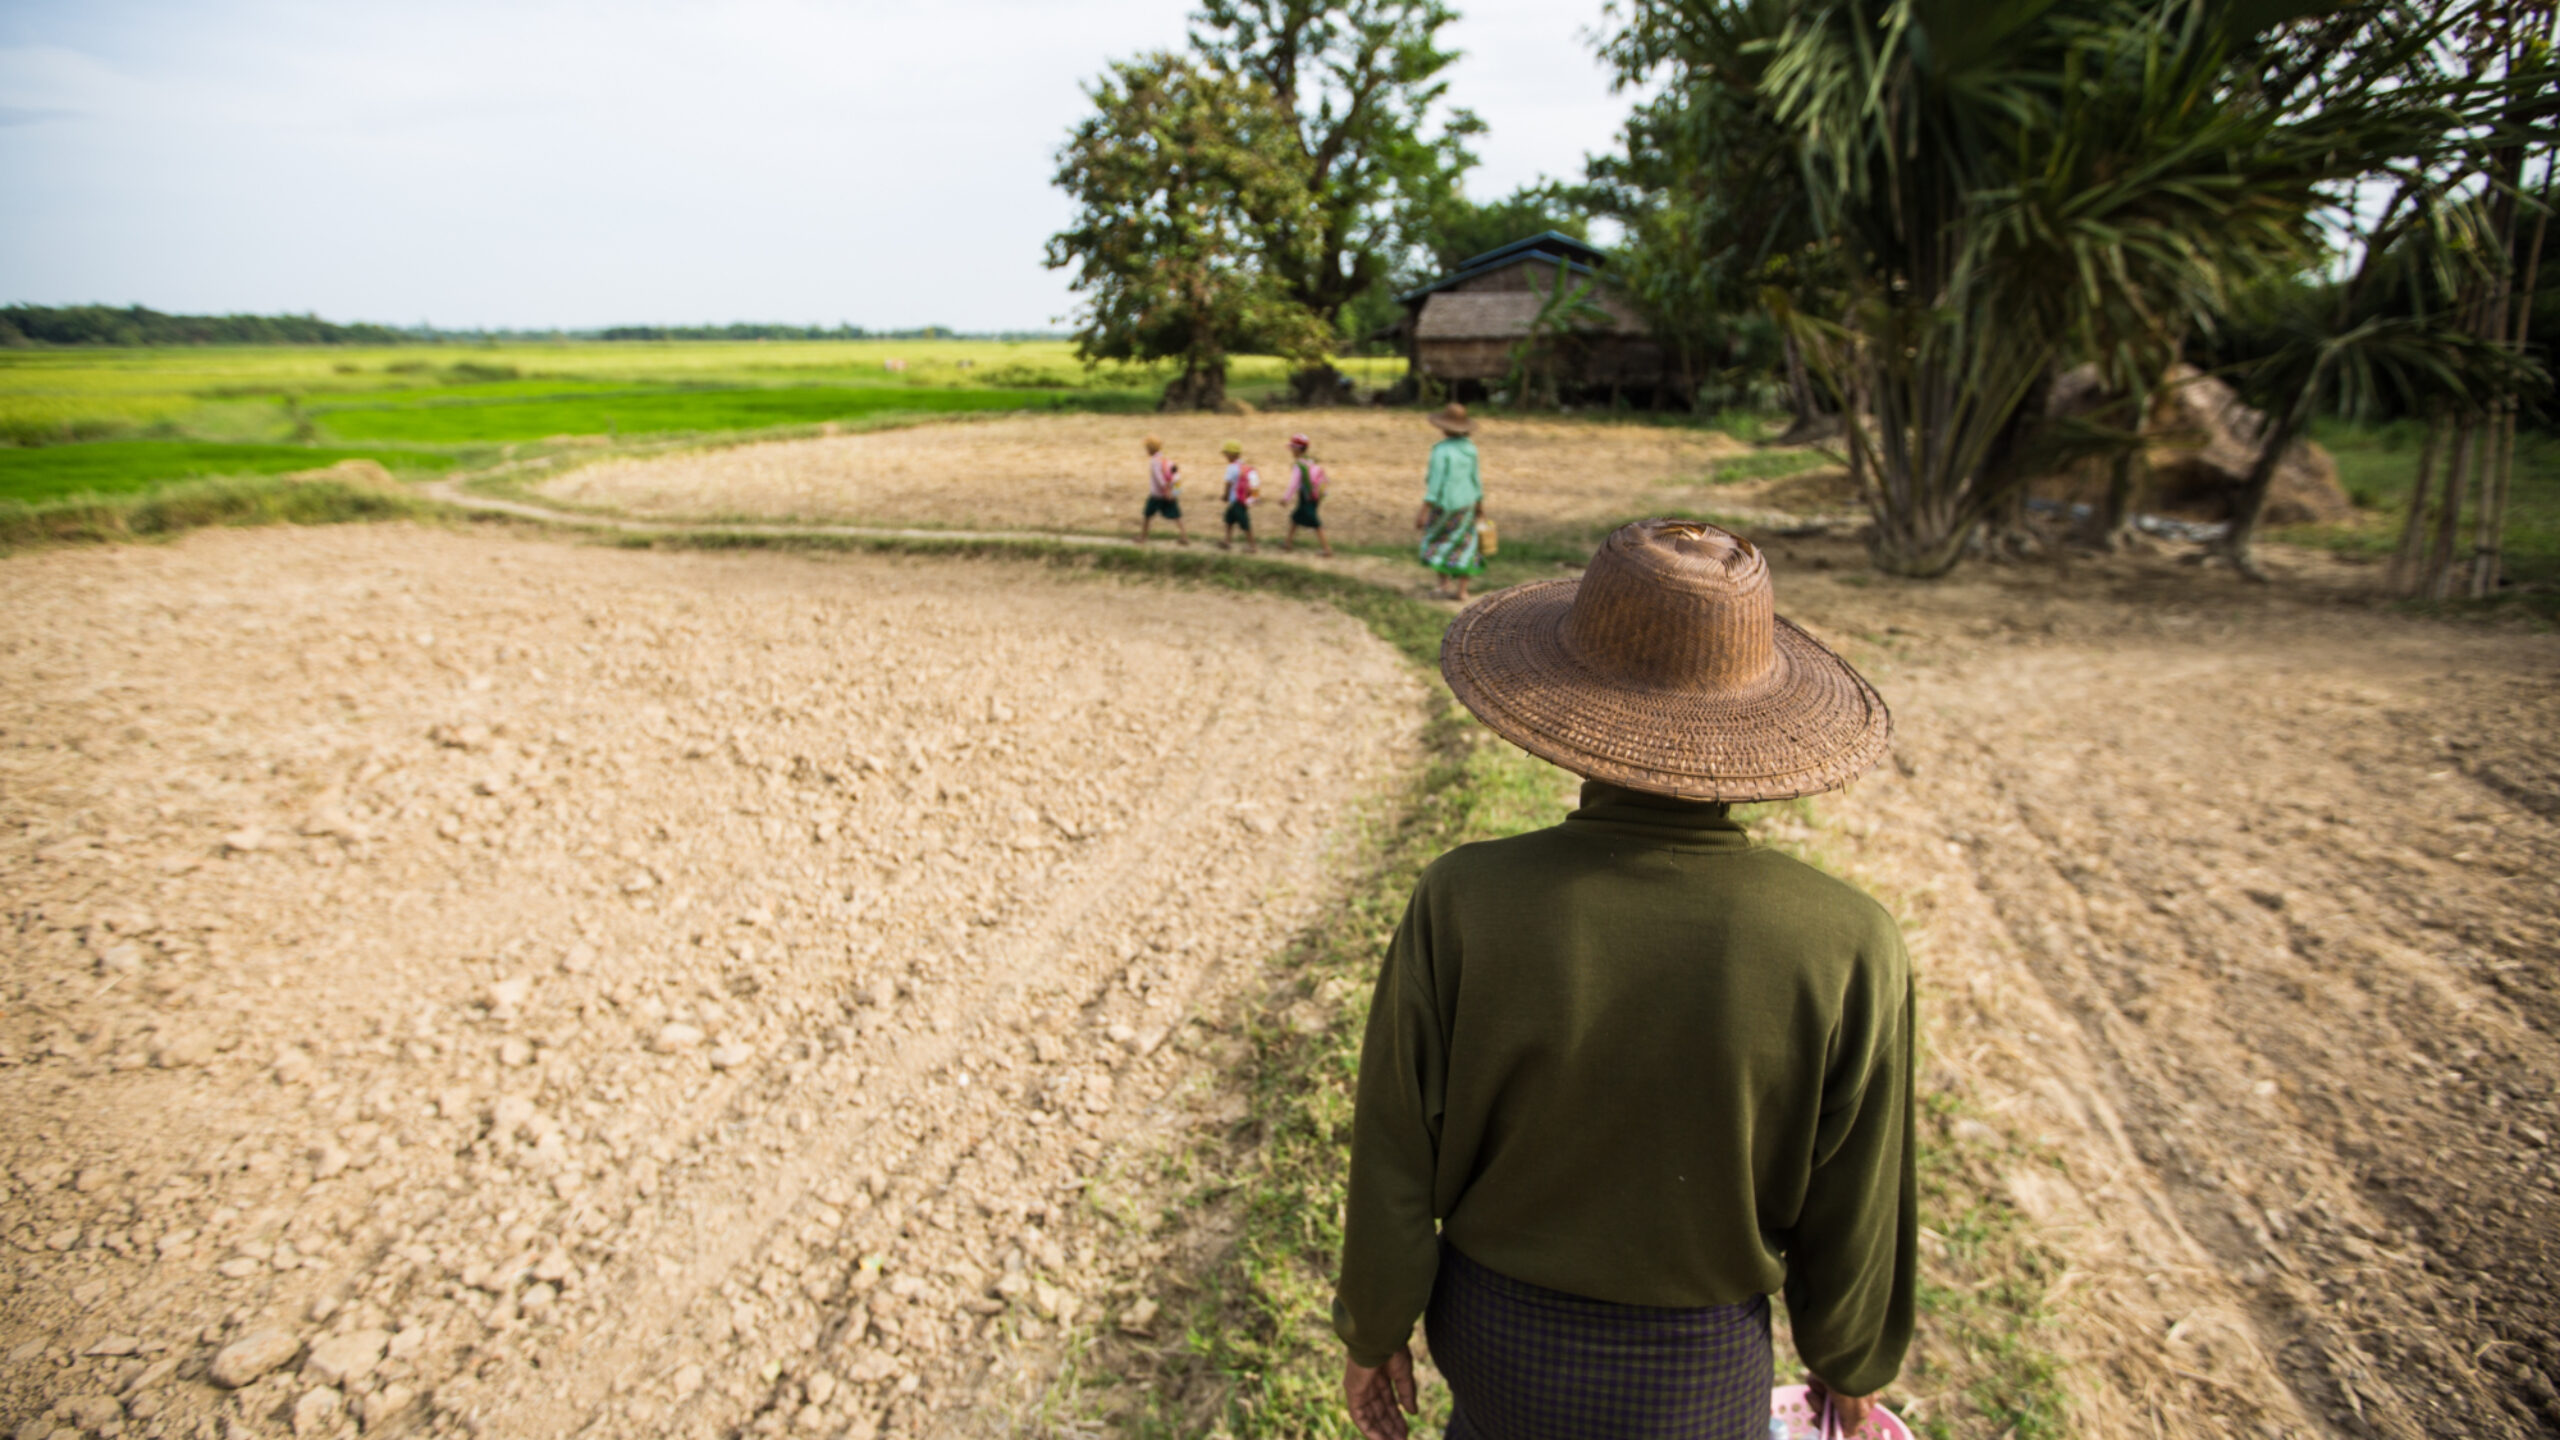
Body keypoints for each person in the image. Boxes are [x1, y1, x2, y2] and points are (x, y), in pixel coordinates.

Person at [1334, 518, 1912, 1440]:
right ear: (1756, 723)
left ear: (1565, 696)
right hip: (1697, 1369)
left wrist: (1372, 1325)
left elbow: (1397, 1150)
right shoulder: (1847, 943)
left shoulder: (1464, 900)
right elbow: (1856, 1200)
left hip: (1493, 1341)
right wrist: (1849, 1363)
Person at [1415, 404, 1484, 601]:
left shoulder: (1440, 451)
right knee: (1466, 543)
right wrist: (1480, 504)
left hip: (1444, 504)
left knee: (1438, 539)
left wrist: (1424, 509)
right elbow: (1475, 478)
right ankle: (1462, 590)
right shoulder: (1471, 449)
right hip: (1467, 503)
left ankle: (1443, 584)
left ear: (1443, 427)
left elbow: (1436, 483)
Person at [1282, 433, 1334, 557]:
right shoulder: (1310, 462)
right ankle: (1288, 543)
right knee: (1295, 518)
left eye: (1292, 448)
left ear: (1298, 449)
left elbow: (1294, 484)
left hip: (1306, 498)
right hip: (1314, 497)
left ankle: (1327, 549)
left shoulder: (1299, 465)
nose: (1291, 451)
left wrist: (1286, 498)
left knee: (1315, 523)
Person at [1139, 434, 1189, 544]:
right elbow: (1176, 475)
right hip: (1169, 494)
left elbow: (1159, 478)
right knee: (1176, 515)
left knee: (1147, 514)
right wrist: (1174, 492)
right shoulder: (1166, 459)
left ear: (1150, 449)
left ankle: (1143, 537)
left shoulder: (1154, 461)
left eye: (1146, 448)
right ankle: (1184, 536)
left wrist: (1166, 490)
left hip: (1157, 495)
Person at [1220, 440, 1260, 552]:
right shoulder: (1242, 465)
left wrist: (1225, 496)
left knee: (1244, 523)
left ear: (1232, 454)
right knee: (1229, 519)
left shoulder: (1231, 467)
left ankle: (1252, 546)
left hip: (1237, 500)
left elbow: (1228, 483)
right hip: (1241, 499)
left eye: (1226, 453)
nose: (1225, 456)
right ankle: (1227, 541)